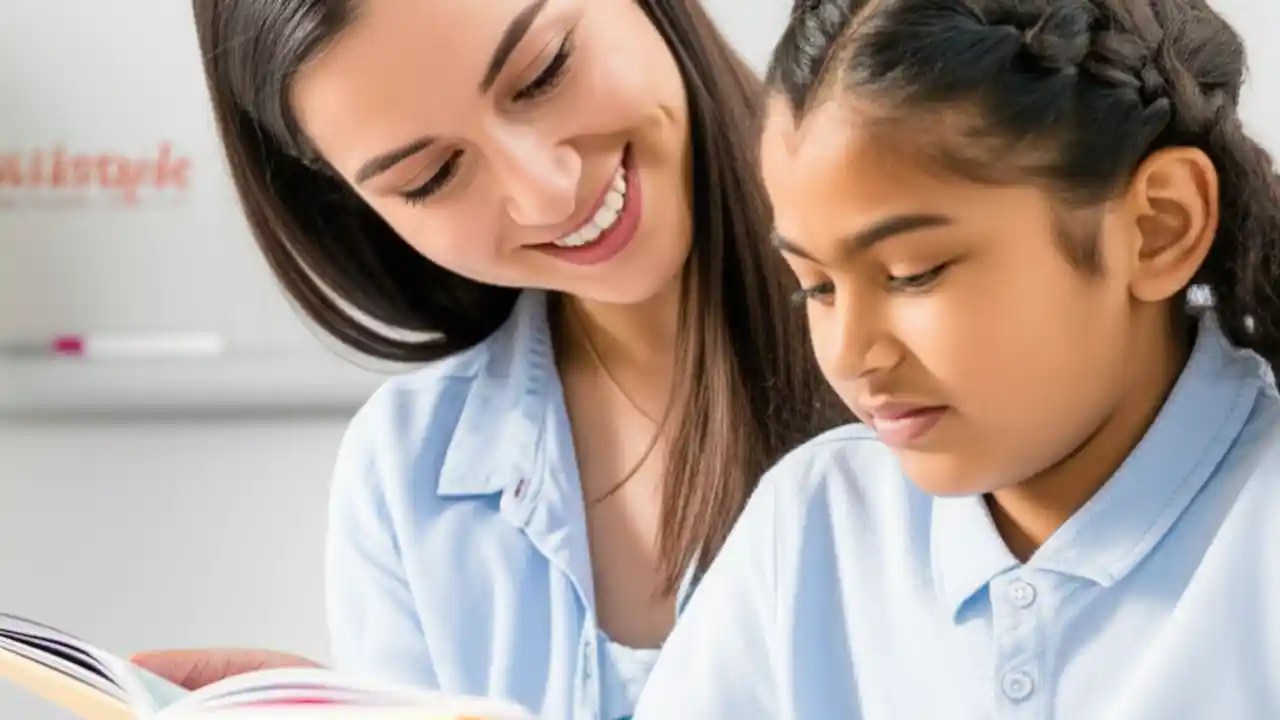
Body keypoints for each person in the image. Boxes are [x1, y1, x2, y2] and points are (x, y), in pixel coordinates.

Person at [131, 1, 842, 718]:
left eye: (543, 74)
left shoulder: (929, 364)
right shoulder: (406, 477)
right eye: (432, 176)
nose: (545, 193)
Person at [633, 0, 1280, 717]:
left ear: (1159, 228)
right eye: (813, 287)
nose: (849, 353)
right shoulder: (813, 523)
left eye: (914, 272)